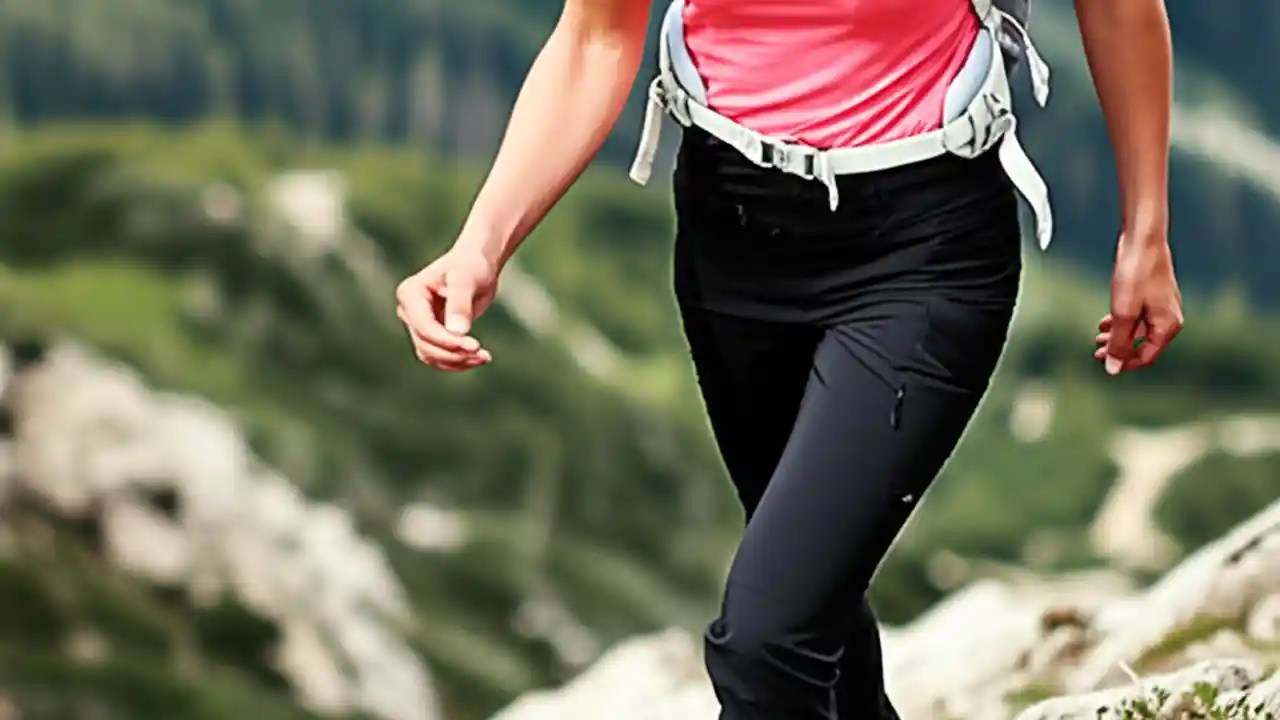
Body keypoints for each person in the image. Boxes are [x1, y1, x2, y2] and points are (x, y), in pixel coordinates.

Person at [394, 0, 1184, 716]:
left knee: (767, 644)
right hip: (731, 245)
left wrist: (1144, 231)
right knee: (817, 631)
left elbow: (1116, 7)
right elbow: (596, 38)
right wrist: (482, 244)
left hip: (921, 250)